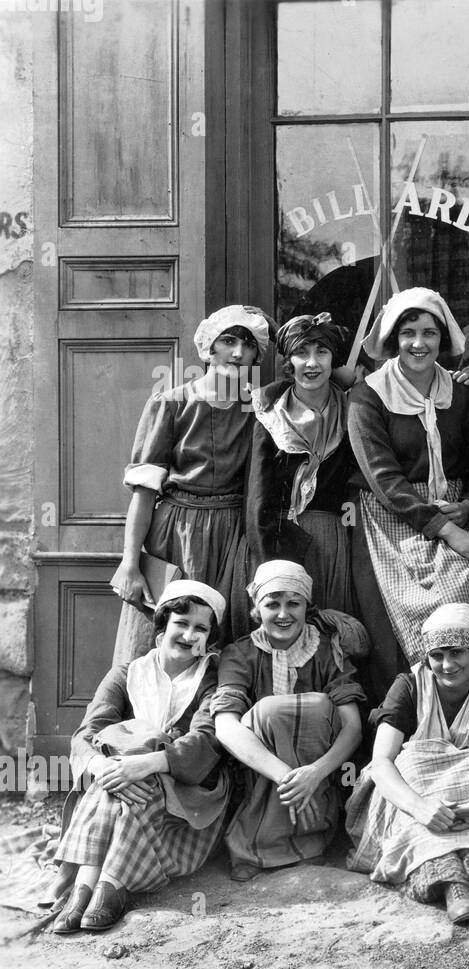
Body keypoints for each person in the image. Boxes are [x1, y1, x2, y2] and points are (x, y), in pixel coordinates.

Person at [43, 581, 231, 935]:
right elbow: (86, 735)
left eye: (201, 628)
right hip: (122, 782)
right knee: (112, 780)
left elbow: (207, 741)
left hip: (188, 794)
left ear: (209, 638)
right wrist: (104, 766)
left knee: (134, 774)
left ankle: (109, 884)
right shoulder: (127, 673)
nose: (189, 634)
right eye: (181, 623)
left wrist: (145, 763)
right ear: (162, 626)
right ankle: (87, 888)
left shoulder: (212, 679)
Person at [345, 604, 469, 927]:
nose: (446, 664)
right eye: (437, 655)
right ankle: (452, 886)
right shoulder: (408, 685)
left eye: (456, 653)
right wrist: (420, 807)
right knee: (411, 759)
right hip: (413, 792)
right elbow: (382, 761)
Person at [347, 287, 469, 697]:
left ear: (442, 340)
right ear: (393, 339)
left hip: (454, 508)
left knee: (463, 596)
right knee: (425, 611)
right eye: (408, 332)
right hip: (394, 516)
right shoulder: (368, 396)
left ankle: (464, 709)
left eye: (429, 333)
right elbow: (383, 478)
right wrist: (447, 529)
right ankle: (412, 714)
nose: (418, 343)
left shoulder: (459, 394)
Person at [111, 304, 271, 662]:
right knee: (163, 631)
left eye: (248, 345)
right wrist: (130, 563)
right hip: (175, 533)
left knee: (220, 634)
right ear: (209, 348)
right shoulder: (171, 403)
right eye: (228, 340)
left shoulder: (258, 409)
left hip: (232, 534)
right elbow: (144, 490)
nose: (237, 352)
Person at [212, 561, 365, 881]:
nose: (283, 614)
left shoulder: (328, 651)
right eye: (272, 604)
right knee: (268, 713)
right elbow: (225, 727)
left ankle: (310, 838)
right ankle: (253, 845)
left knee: (317, 707)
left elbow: (352, 727)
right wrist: (286, 776)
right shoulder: (240, 653)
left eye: (293, 603)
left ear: (306, 606)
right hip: (261, 771)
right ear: (257, 609)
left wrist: (314, 773)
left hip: (318, 768)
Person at [247, 312, 358, 613]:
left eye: (322, 352)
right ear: (289, 361)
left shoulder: (353, 410)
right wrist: (266, 564)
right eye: (301, 352)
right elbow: (258, 495)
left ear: (334, 360)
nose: (312, 363)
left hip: (333, 539)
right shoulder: (269, 414)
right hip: (280, 537)